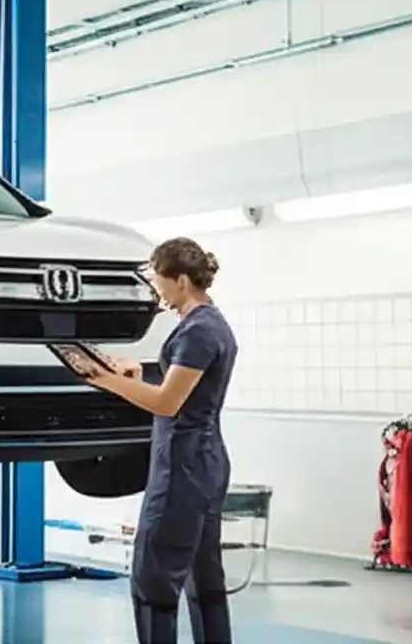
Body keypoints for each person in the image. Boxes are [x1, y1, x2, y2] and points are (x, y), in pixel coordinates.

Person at [73, 237, 237, 644]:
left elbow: (167, 402)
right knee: (205, 580)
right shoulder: (212, 324)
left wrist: (104, 380)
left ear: (181, 280)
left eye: (159, 280)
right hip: (208, 461)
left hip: (182, 467)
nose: (156, 289)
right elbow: (182, 391)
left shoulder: (196, 332)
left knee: (153, 583)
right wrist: (134, 377)